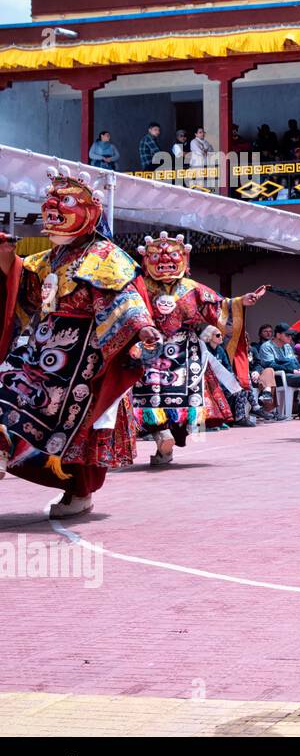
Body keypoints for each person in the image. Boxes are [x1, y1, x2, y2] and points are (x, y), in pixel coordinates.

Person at [0, 167, 161, 516]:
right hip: (40, 348)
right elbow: (24, 283)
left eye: (67, 201)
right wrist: (6, 258)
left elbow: (124, 298)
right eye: (51, 201)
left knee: (78, 427)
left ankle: (79, 491)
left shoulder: (105, 256)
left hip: (84, 357)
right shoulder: (50, 257)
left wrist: (141, 326)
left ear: (91, 210)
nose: (53, 208)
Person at [132, 232, 267, 465]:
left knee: (154, 398)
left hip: (177, 350)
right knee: (155, 398)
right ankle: (165, 441)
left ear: (183, 258)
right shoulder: (141, 287)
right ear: (147, 259)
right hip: (159, 348)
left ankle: (163, 440)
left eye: (173, 255)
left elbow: (218, 305)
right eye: (157, 257)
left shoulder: (189, 287)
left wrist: (240, 301)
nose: (165, 261)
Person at [258, 323, 300, 420]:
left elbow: (294, 362)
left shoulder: (288, 346)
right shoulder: (267, 347)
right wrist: (292, 370)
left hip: (293, 374)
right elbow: (270, 365)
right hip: (278, 377)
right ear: (278, 335)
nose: (290, 337)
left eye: (291, 335)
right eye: (287, 335)